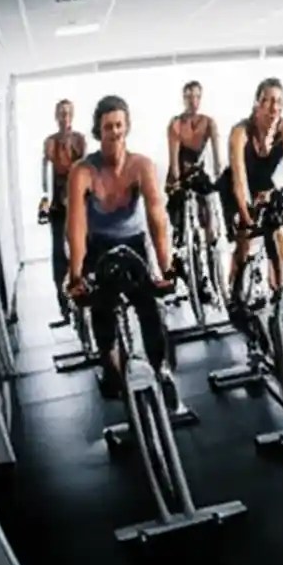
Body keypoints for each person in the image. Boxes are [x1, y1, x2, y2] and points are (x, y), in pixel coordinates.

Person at [63, 96, 174, 402]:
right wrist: (75, 275)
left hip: (134, 243)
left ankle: (160, 368)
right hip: (98, 246)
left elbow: (156, 217)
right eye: (108, 126)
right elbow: (76, 225)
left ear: (127, 128)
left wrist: (166, 268)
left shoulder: (142, 165)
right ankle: (111, 370)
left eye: (119, 125)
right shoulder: (83, 171)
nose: (114, 132)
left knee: (149, 307)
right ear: (98, 131)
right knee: (102, 310)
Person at [217, 78, 283, 304]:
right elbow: (239, 180)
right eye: (268, 101)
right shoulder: (241, 132)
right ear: (257, 103)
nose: (275, 107)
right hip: (234, 187)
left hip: (264, 186)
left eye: (279, 102)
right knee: (245, 241)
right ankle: (234, 293)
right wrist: (247, 216)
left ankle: (278, 290)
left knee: (280, 234)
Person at [41, 99, 87, 317]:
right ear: (56, 116)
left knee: (85, 245)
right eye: (61, 113)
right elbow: (45, 172)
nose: (65, 117)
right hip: (59, 202)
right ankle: (63, 301)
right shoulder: (50, 142)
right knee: (59, 252)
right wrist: (45, 198)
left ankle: (89, 289)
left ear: (72, 115)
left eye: (68, 113)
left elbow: (86, 169)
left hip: (77, 199)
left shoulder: (79, 139)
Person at [165, 81, 222, 253]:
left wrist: (218, 177)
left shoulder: (208, 122)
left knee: (208, 196)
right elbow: (174, 160)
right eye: (189, 97)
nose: (193, 101)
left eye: (197, 96)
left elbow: (217, 157)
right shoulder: (175, 124)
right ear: (184, 99)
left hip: (197, 171)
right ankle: (179, 236)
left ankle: (212, 238)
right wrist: (176, 180)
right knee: (176, 203)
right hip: (179, 170)